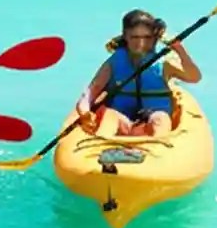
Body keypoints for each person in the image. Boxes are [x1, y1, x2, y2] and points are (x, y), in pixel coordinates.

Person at [73, 9, 202, 137]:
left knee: (160, 119)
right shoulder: (114, 63)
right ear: (125, 36)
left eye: (147, 37)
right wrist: (84, 112)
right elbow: (90, 93)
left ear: (154, 38)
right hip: (123, 122)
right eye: (134, 37)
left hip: (150, 124)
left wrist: (180, 50)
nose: (141, 43)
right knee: (109, 116)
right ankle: (99, 144)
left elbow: (194, 77)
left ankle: (158, 147)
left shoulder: (163, 64)